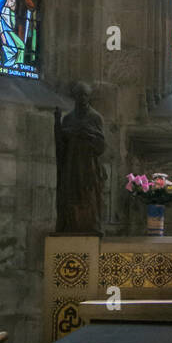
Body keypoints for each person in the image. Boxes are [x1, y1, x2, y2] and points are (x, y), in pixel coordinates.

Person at [54, 83, 107, 235]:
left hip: (88, 164)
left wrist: (87, 135)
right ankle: (72, 224)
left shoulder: (95, 117)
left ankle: (90, 223)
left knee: (88, 194)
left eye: (84, 95)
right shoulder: (68, 118)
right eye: (79, 95)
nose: (82, 98)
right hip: (71, 163)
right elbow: (61, 145)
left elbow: (101, 146)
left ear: (89, 97)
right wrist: (57, 123)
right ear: (75, 97)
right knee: (71, 194)